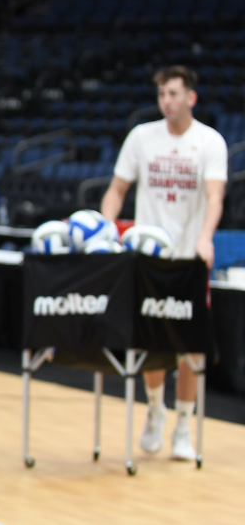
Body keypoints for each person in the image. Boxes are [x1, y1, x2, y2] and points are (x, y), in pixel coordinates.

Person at [100, 65, 226, 462]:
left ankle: (184, 427)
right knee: (149, 341)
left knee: (190, 346)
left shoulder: (210, 142)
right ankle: (156, 411)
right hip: (147, 258)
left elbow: (215, 196)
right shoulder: (141, 137)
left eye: (173, 93)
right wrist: (106, 228)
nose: (166, 101)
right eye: (161, 95)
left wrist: (205, 238)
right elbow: (117, 189)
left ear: (191, 97)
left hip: (189, 260)